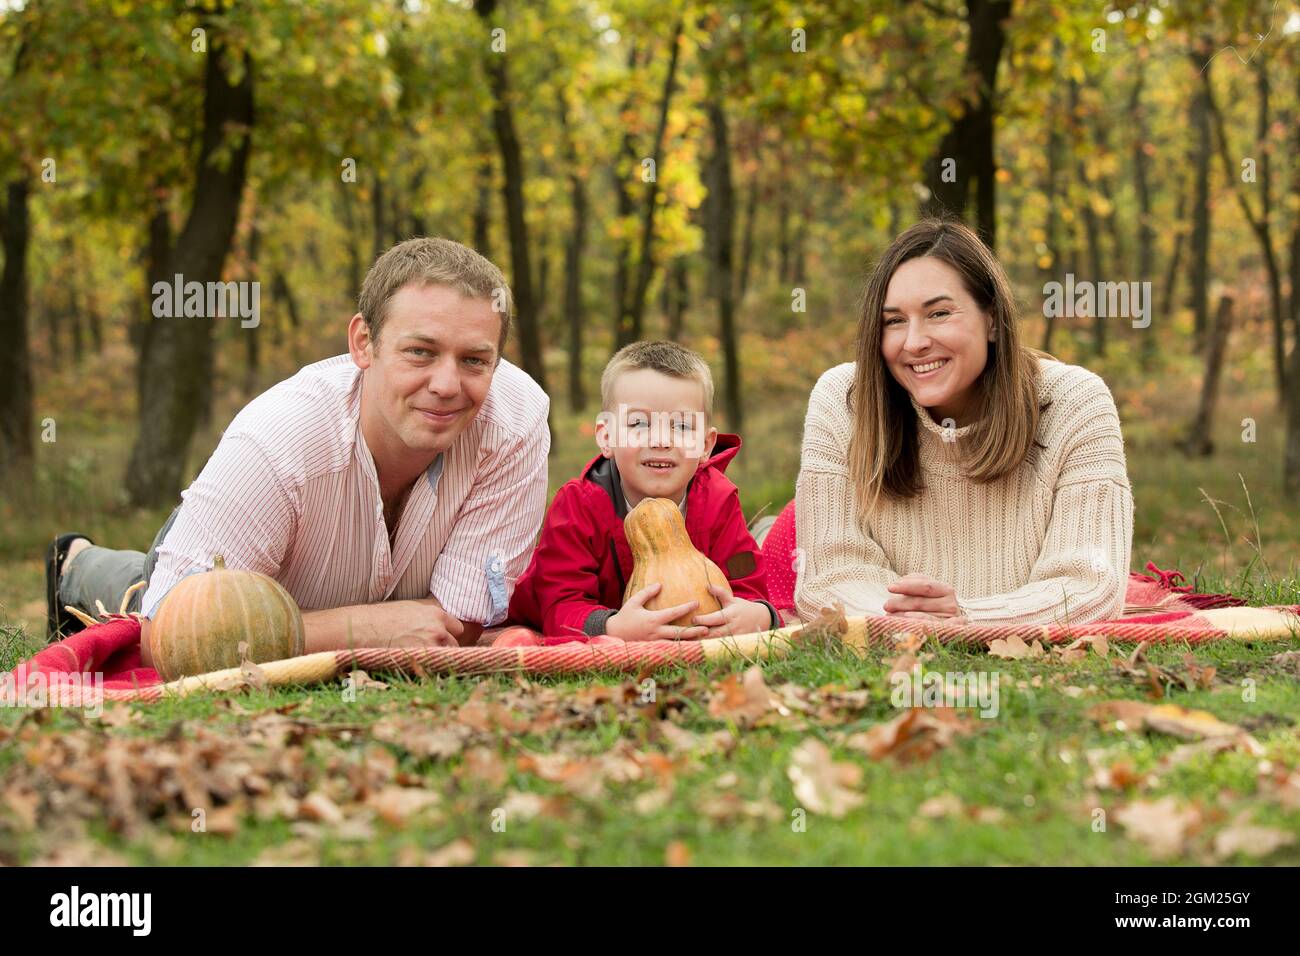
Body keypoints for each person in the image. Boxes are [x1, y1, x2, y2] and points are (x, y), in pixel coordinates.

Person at [47, 237, 550, 658]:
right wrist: (361, 632)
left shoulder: (516, 420)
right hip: (241, 568)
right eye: (420, 351)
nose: (446, 384)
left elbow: (460, 622)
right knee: (142, 595)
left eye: (475, 360)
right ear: (363, 343)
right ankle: (76, 564)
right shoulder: (276, 440)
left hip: (308, 604)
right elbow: (172, 635)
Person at [795, 219, 1133, 626]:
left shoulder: (1074, 403)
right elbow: (829, 577)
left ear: (992, 319)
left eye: (938, 313)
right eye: (894, 321)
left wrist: (967, 616)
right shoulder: (843, 399)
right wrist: (909, 621)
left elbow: (1088, 585)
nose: (914, 341)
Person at [507, 340, 778, 642]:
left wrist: (759, 613)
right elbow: (559, 605)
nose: (661, 440)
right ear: (606, 436)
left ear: (706, 444)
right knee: (522, 636)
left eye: (682, 426)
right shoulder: (577, 506)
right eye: (639, 423)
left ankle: (766, 532)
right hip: (562, 618)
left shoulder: (718, 500)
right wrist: (611, 627)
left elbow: (746, 584)